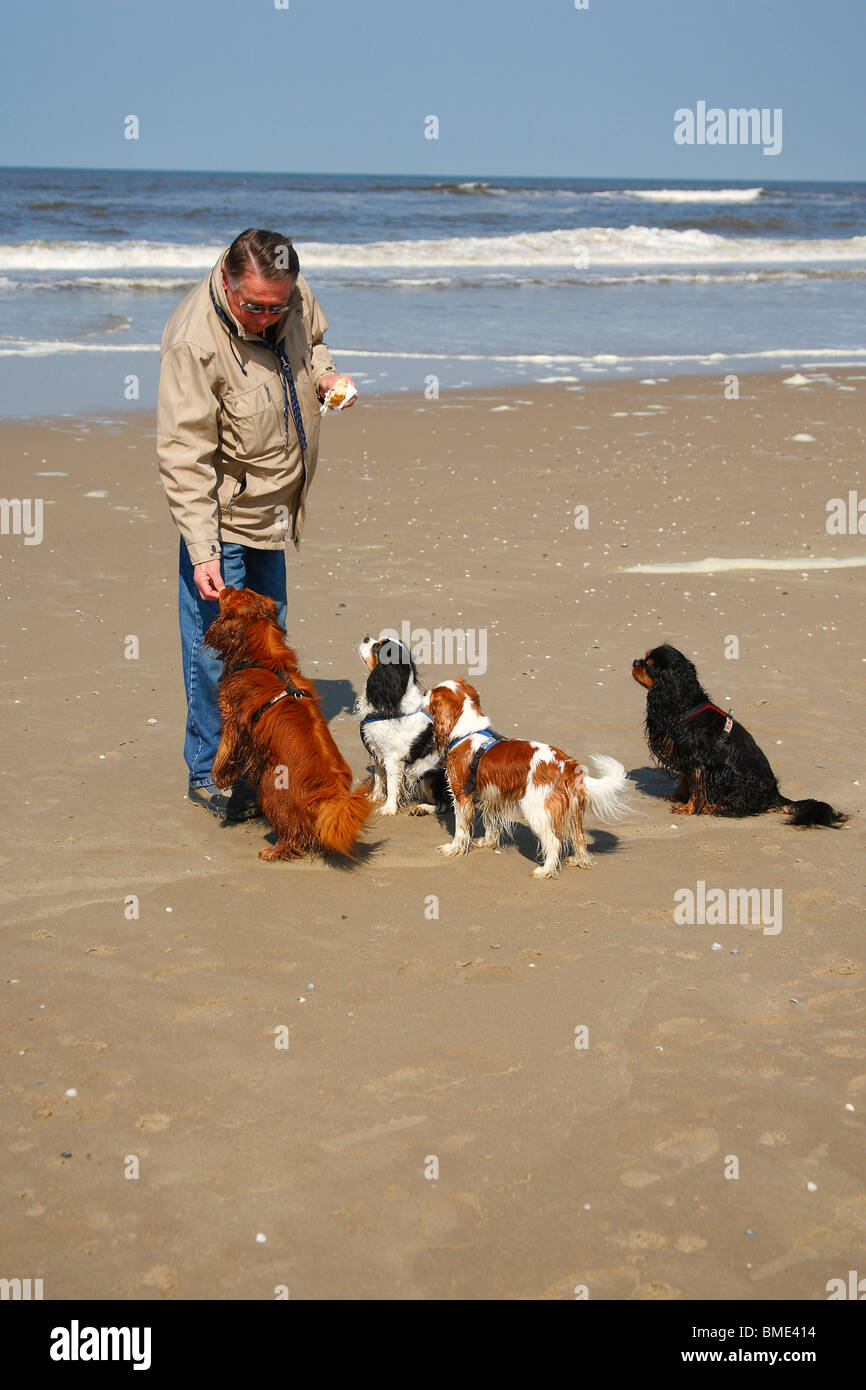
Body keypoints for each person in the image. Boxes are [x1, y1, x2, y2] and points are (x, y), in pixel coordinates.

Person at [157, 227, 356, 819]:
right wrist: (202, 550)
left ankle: (261, 760)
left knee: (271, 645)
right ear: (227, 280)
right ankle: (208, 773)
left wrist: (323, 376)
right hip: (222, 517)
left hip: (274, 510)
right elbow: (183, 452)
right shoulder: (193, 341)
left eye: (279, 306)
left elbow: (313, 341)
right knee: (214, 648)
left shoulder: (290, 294)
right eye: (256, 307)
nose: (270, 317)